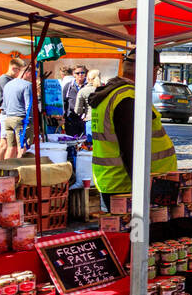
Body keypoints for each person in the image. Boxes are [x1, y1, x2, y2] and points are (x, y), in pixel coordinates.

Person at [89, 52, 178, 212]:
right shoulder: (128, 97)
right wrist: (143, 190)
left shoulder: (116, 94)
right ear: (152, 69)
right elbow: (131, 150)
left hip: (121, 183)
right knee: (142, 235)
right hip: (132, 186)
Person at [0, 67, 33, 162]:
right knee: (22, 148)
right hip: (21, 119)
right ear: (27, 73)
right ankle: (21, 171)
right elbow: (29, 105)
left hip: (8, 119)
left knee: (11, 147)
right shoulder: (27, 85)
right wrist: (31, 120)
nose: (33, 77)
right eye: (33, 74)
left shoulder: (8, 85)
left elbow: (5, 104)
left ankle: (6, 172)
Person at [74, 69, 102, 139]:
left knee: (91, 146)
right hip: (104, 121)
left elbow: (77, 111)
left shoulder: (83, 91)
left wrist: (85, 110)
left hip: (90, 120)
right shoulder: (105, 89)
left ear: (88, 78)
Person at [61, 64, 88, 137]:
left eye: (82, 72)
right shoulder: (69, 86)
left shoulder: (89, 86)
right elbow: (64, 101)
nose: (80, 75)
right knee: (71, 141)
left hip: (85, 118)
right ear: (73, 74)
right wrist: (64, 116)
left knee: (85, 142)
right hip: (71, 118)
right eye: (77, 73)